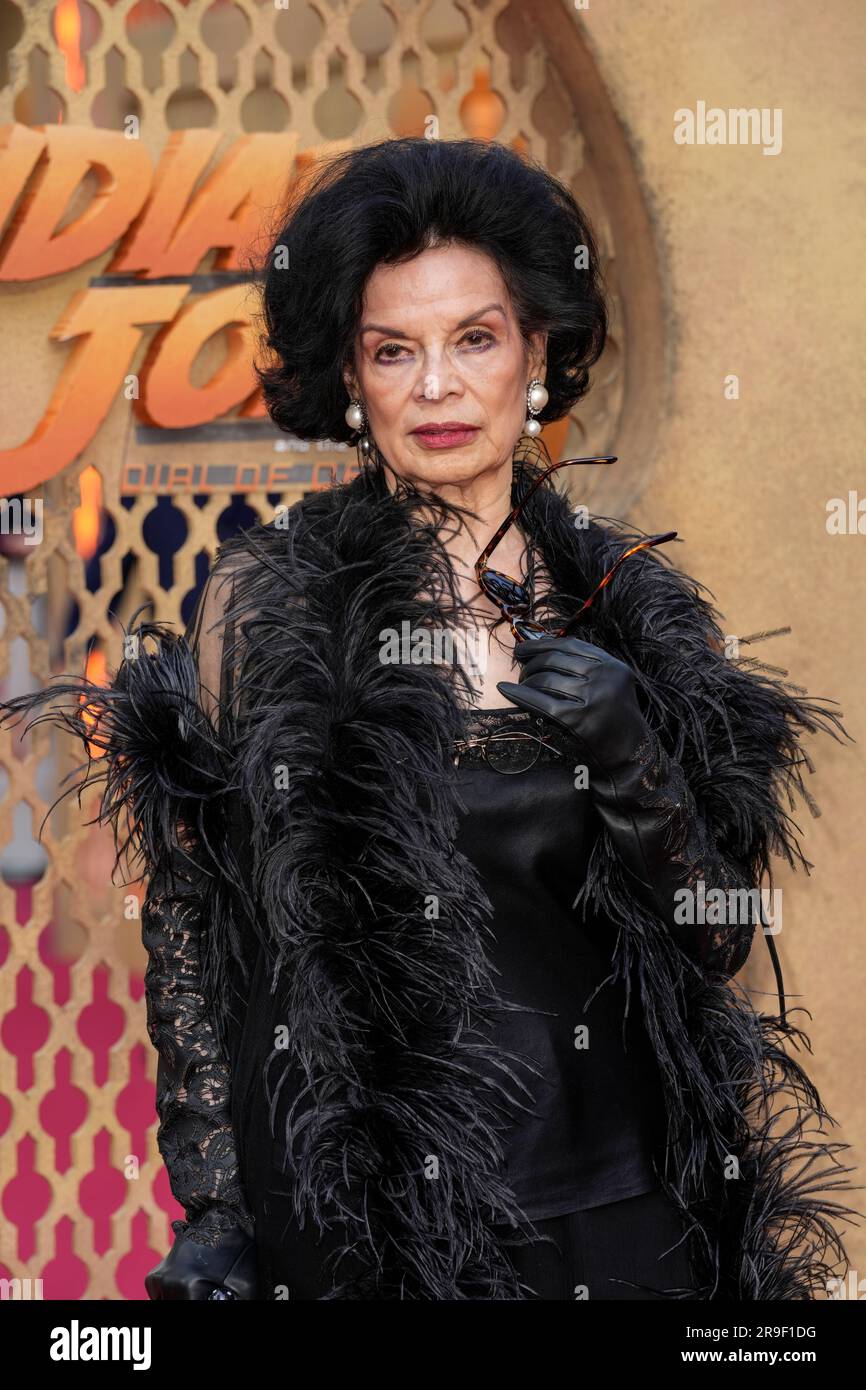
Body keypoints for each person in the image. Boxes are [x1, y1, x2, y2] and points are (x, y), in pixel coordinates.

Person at [2, 137, 857, 1301]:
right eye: (393, 350)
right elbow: (199, 927)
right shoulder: (269, 605)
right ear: (351, 380)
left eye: (473, 339)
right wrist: (215, 1209)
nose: (438, 386)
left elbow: (714, 945)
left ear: (535, 352)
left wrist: (634, 762)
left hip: (621, 1209)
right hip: (362, 1223)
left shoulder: (635, 615)